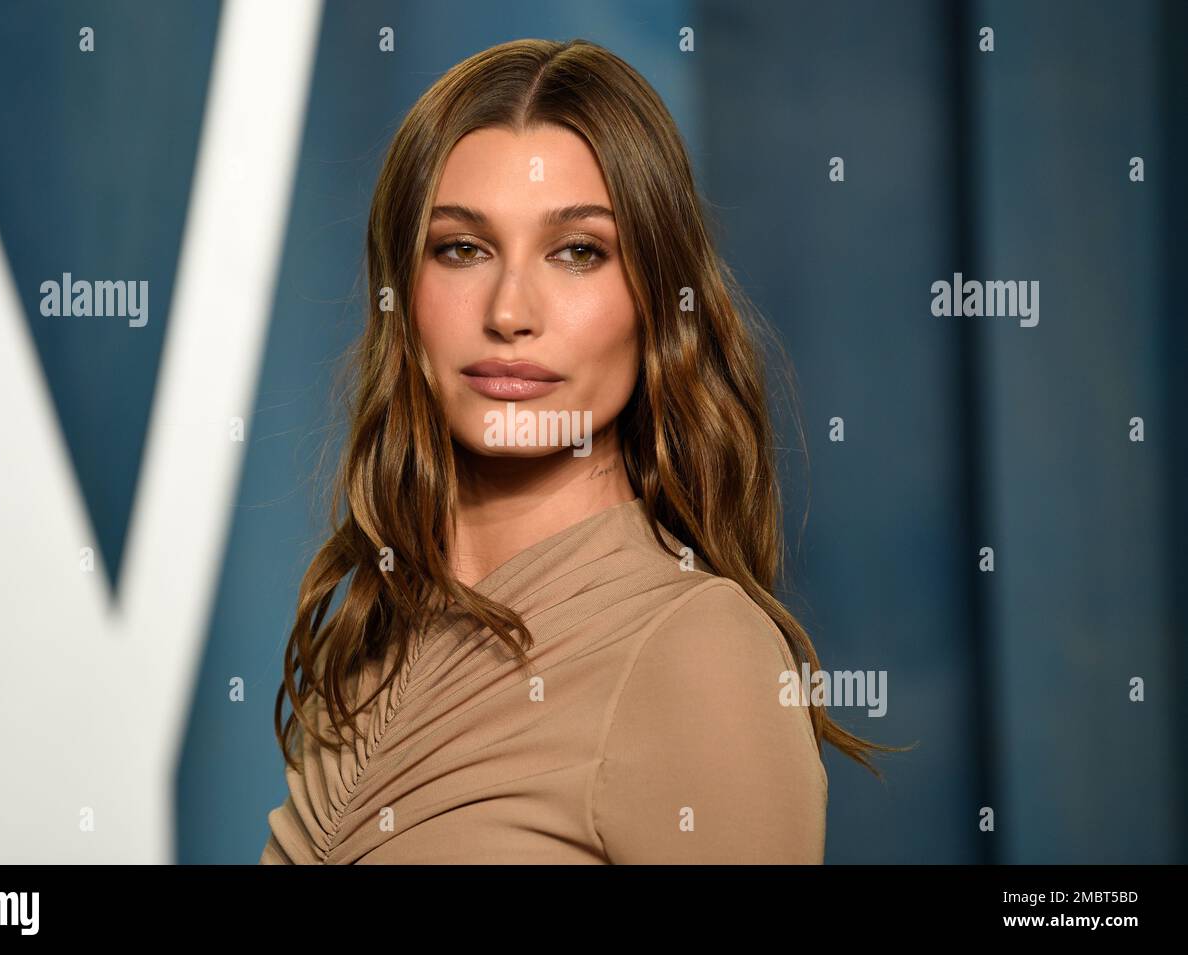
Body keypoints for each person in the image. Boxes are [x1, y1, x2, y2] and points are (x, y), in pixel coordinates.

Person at [260, 37, 891, 865]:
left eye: (578, 252)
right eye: (462, 248)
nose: (510, 310)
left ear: (659, 300)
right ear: (401, 298)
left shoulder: (697, 655)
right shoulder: (370, 641)